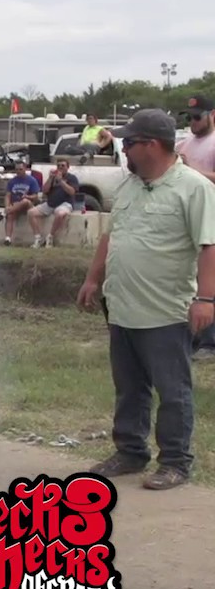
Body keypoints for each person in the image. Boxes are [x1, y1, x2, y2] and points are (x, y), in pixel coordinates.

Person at [76, 109, 215, 490]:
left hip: (166, 311)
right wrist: (93, 278)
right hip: (122, 307)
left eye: (129, 142)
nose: (123, 148)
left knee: (173, 391)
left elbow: (209, 246)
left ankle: (175, 461)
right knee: (129, 387)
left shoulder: (194, 188)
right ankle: (130, 452)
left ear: (151, 145)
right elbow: (110, 236)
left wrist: (205, 299)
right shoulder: (129, 186)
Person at [179, 96, 215, 359]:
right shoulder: (187, 142)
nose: (192, 122)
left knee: (209, 277)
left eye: (197, 116)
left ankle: (210, 341)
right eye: (189, 117)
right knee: (191, 276)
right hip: (190, 217)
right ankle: (193, 336)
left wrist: (192, 171)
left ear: (212, 114)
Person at [31, 159, 80, 247]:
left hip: (65, 203)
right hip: (50, 203)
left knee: (60, 214)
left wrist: (61, 181)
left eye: (63, 165)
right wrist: (50, 178)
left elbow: (72, 192)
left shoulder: (72, 178)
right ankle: (38, 238)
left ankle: (50, 236)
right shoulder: (53, 178)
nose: (60, 167)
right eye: (58, 166)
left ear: (68, 167)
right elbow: (44, 190)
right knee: (31, 213)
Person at [1, 162, 41, 247]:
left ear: (25, 169)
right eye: (17, 170)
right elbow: (8, 195)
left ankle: (4, 213)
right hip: (15, 205)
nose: (18, 171)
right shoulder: (12, 181)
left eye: (20, 169)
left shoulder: (31, 180)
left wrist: (27, 196)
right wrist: (7, 206)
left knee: (25, 201)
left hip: (28, 205)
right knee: (10, 215)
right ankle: (7, 238)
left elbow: (36, 196)